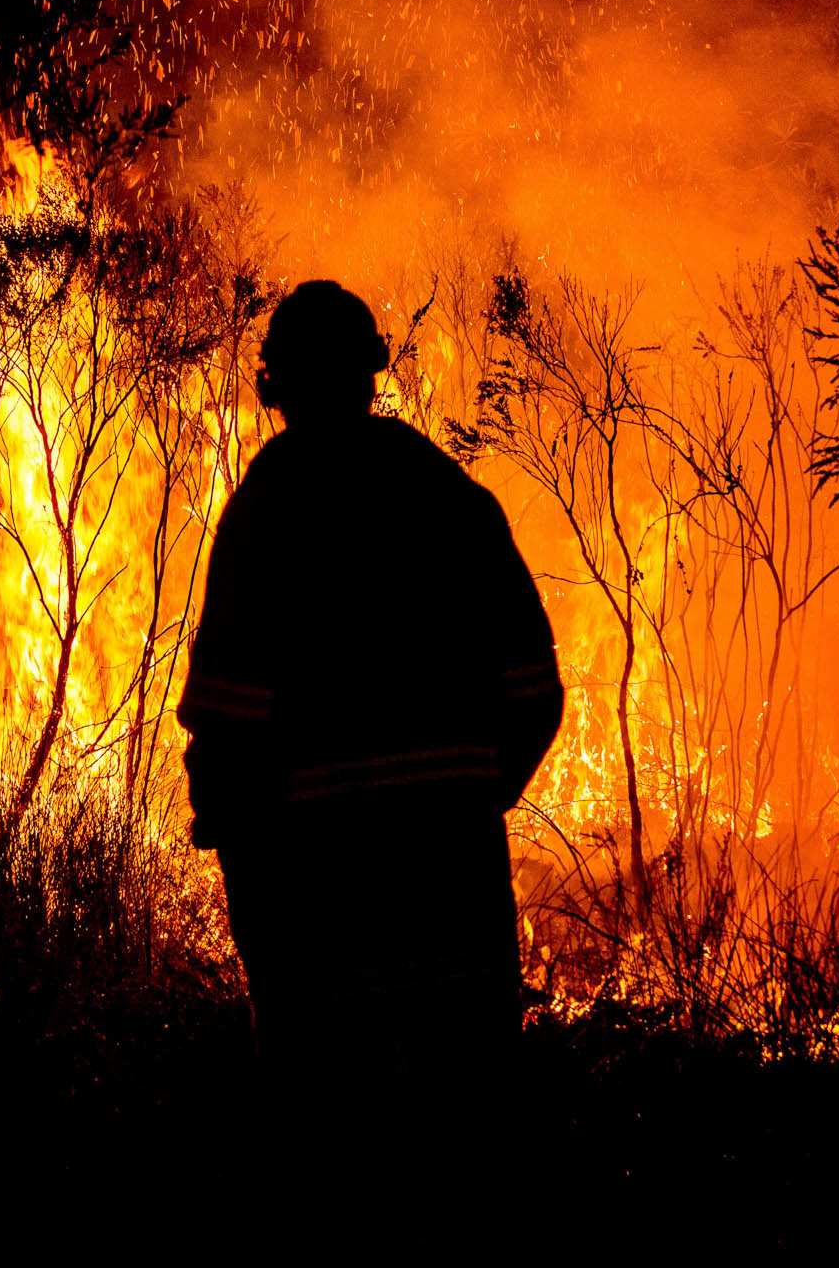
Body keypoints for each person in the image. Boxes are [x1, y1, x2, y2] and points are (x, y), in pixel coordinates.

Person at [178, 280, 564, 1240]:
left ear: (279, 383)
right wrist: (474, 791)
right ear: (372, 371)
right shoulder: (454, 500)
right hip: (451, 878)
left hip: (319, 890)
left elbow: (226, 718)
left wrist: (240, 830)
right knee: (464, 1141)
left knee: (331, 1151)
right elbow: (534, 689)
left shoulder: (268, 507)